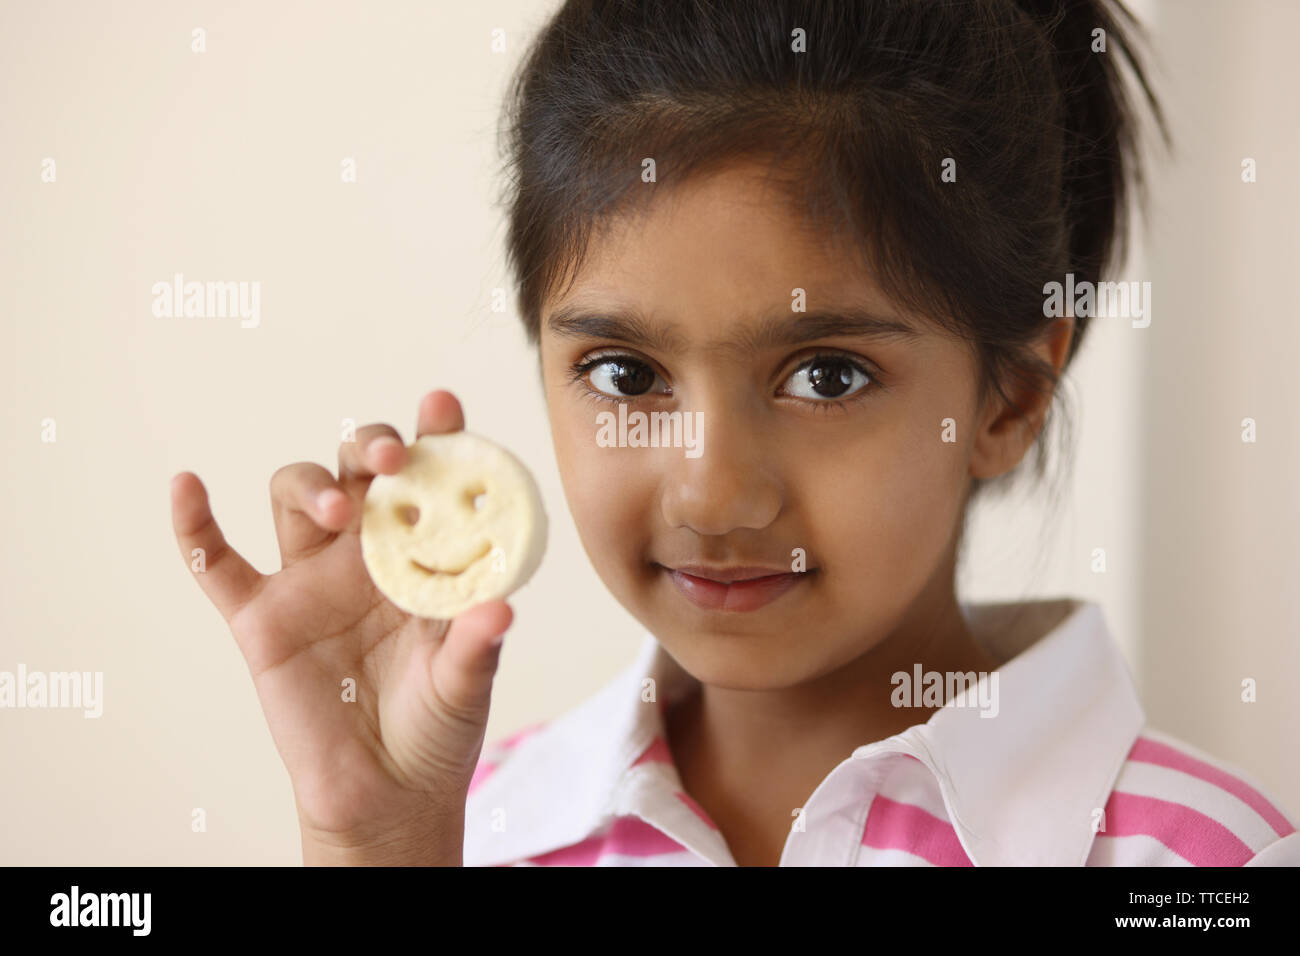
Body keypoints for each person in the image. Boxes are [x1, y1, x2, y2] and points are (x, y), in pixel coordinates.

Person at [169, 0, 1298, 865]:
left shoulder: (1196, 859)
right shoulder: (479, 828)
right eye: (624, 372)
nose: (710, 493)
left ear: (1005, 397)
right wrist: (374, 844)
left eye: (826, 373)